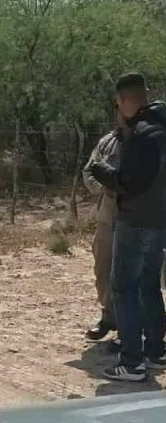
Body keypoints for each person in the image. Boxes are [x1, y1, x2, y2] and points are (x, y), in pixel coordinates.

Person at [89, 73, 166, 382]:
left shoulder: (141, 134)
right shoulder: (161, 129)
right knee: (149, 284)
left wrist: (102, 171)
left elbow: (129, 183)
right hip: (160, 222)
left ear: (121, 101)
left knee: (123, 288)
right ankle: (156, 352)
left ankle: (132, 362)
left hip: (135, 221)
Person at [81, 121, 122, 341]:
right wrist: (105, 187)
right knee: (103, 270)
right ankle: (108, 317)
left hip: (139, 220)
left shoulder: (148, 141)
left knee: (137, 274)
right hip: (107, 218)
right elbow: (89, 172)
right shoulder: (107, 142)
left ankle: (143, 327)